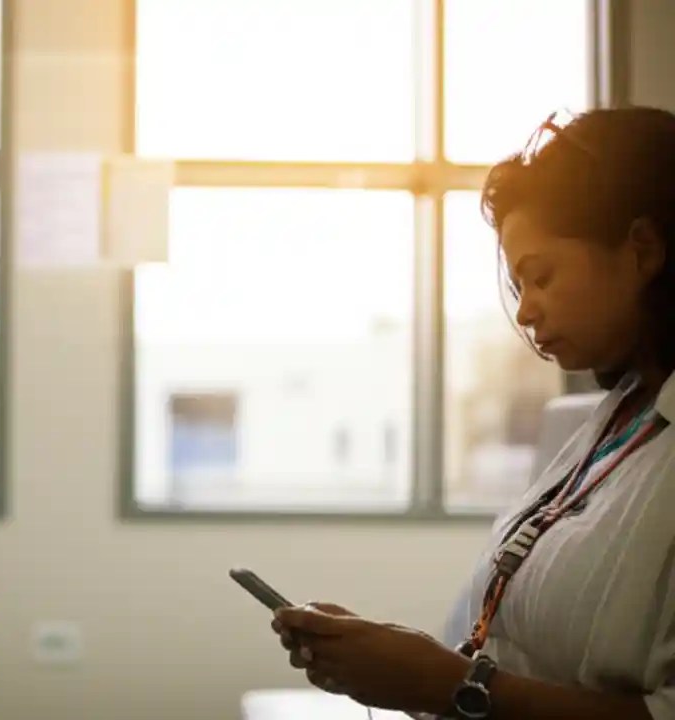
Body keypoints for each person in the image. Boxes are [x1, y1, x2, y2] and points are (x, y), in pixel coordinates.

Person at [272, 106, 675, 720]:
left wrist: (449, 686)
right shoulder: (616, 418)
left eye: (540, 277)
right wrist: (403, 664)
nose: (526, 313)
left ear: (642, 250)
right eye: (519, 287)